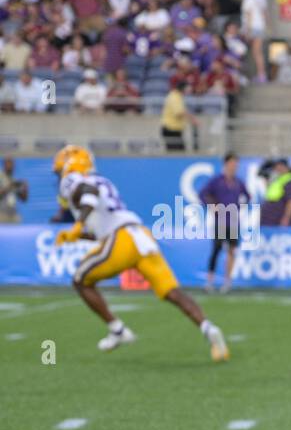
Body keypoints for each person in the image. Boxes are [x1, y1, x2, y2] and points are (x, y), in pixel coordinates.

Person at [51, 145, 228, 361]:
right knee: (172, 292)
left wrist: (77, 226)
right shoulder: (103, 181)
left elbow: (89, 193)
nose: (59, 175)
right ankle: (209, 329)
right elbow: (101, 228)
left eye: (60, 169)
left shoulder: (73, 179)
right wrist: (78, 235)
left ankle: (117, 330)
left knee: (80, 280)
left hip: (121, 240)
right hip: (140, 236)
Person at [200, 153, 250, 293]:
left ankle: (227, 281)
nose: (234, 167)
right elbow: (203, 194)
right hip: (221, 220)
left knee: (232, 251)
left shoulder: (238, 182)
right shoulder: (217, 181)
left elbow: (247, 196)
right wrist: (211, 205)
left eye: (236, 165)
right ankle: (210, 281)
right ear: (226, 164)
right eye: (233, 164)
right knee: (216, 250)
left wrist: (240, 206)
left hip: (233, 221)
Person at [257, 159, 291, 228]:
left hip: (278, 223)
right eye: (276, 167)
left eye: (280, 166)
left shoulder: (289, 182)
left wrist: (286, 219)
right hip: (268, 222)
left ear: (286, 168)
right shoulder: (277, 181)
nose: (278, 169)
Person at [161, 81, 195, 152]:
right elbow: (179, 113)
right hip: (171, 129)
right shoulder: (175, 97)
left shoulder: (177, 96)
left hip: (175, 129)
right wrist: (192, 119)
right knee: (176, 154)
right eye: (188, 88)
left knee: (178, 152)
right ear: (183, 88)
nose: (189, 90)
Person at [0, 157, 28, 223]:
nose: (11, 166)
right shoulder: (1, 177)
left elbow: (24, 199)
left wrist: (25, 189)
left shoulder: (14, 179)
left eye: (12, 164)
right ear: (4, 164)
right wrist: (10, 186)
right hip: (2, 214)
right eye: (8, 163)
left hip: (13, 214)